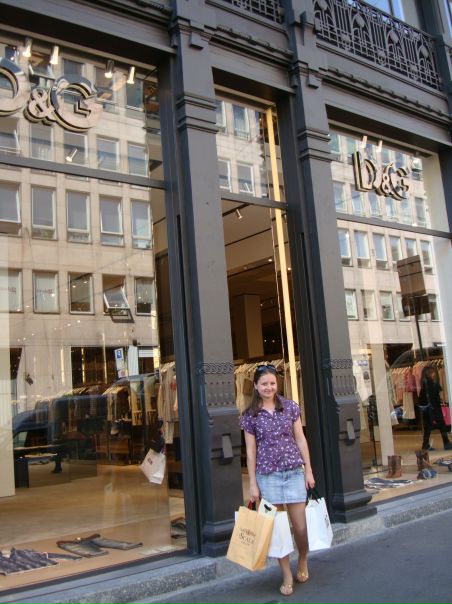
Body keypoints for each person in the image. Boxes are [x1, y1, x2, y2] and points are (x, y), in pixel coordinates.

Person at [239, 364, 315, 597]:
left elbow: (300, 439)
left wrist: (308, 470)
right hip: (267, 476)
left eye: (272, 383)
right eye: (264, 384)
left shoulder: (290, 407)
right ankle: (286, 574)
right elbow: (251, 451)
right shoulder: (250, 415)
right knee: (278, 530)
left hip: (293, 472)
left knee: (300, 527)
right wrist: (253, 484)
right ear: (255, 386)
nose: (269, 387)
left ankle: (302, 558)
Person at [419, 366, 452, 451]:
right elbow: (435, 397)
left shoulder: (424, 384)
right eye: (433, 372)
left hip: (428, 410)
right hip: (434, 409)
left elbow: (422, 398)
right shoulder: (431, 384)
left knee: (428, 428)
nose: (434, 374)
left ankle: (426, 445)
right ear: (429, 373)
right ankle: (446, 443)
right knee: (441, 426)